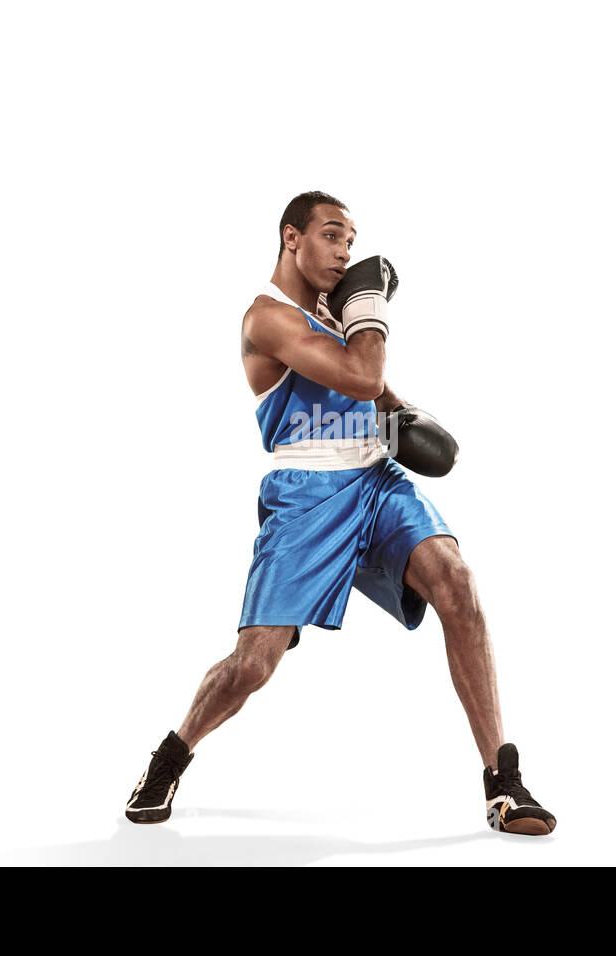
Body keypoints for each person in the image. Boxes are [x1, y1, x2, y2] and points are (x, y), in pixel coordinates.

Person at [125, 191, 555, 835]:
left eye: (352, 242)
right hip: (307, 496)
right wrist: (367, 305)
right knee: (253, 665)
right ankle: (171, 754)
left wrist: (408, 421)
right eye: (331, 236)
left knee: (457, 584)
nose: (345, 252)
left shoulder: (337, 314)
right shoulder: (267, 319)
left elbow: (376, 394)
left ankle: (504, 782)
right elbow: (359, 375)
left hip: (374, 482)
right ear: (291, 237)